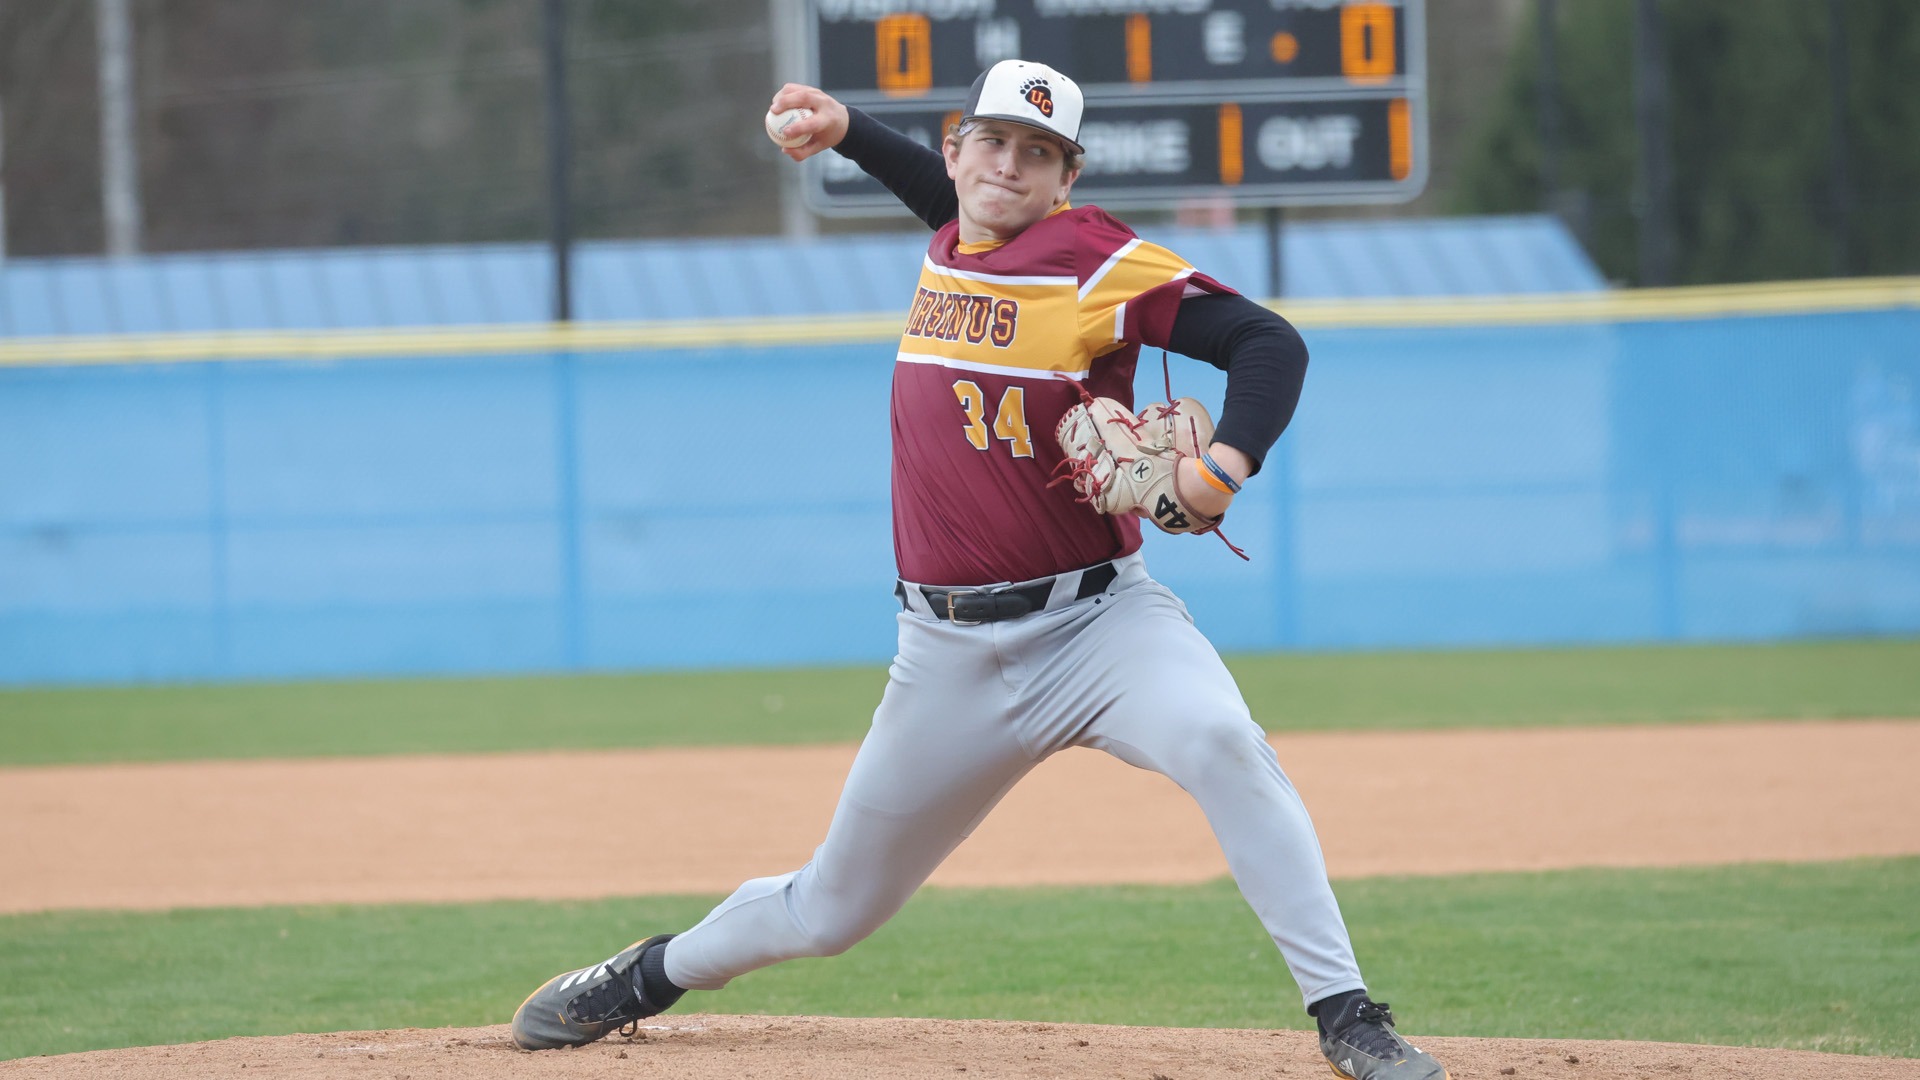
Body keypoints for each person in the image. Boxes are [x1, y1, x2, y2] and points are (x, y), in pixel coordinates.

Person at [510, 60, 1449, 1080]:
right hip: (945, 653)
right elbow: (943, 195)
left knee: (1222, 739)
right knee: (831, 909)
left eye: (1039, 152)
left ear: (1067, 180)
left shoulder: (1089, 260)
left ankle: (1347, 1014)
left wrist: (1223, 467)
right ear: (958, 150)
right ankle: (648, 975)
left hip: (1100, 630)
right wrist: (847, 128)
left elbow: (1267, 342)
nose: (1010, 165)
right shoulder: (954, 238)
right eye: (994, 141)